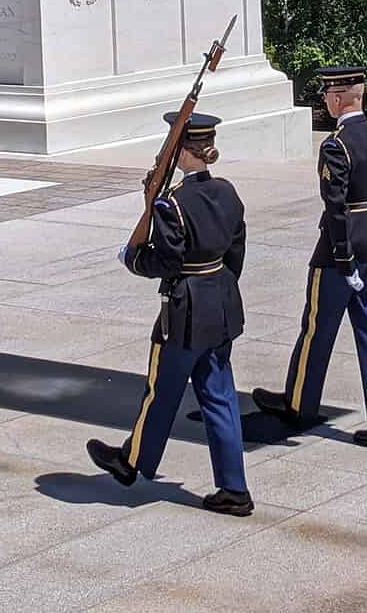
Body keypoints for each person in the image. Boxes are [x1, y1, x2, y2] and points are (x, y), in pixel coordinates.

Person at [85, 112, 253, 516]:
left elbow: (167, 261)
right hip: (221, 302)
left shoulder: (173, 203)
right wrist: (221, 287)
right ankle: (234, 487)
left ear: (180, 151)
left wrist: (132, 258)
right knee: (219, 396)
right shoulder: (227, 192)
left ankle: (132, 463)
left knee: (161, 391)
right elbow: (236, 250)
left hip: (184, 310)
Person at [252, 66, 367, 449]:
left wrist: (343, 256)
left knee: (317, 328)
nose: (325, 101)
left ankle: (299, 405)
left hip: (341, 253)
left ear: (339, 99)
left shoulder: (336, 145)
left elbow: (335, 205)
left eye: (327, 95)